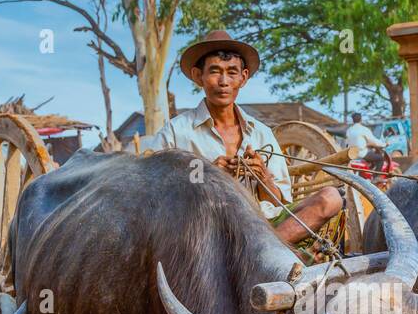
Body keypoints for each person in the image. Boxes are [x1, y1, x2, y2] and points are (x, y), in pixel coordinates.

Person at [143, 30, 344, 247]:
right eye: (214, 71)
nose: (223, 81)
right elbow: (149, 195)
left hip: (262, 228)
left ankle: (257, 251)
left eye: (232, 72)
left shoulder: (261, 133)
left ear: (243, 77)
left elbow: (277, 202)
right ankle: (264, 254)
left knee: (331, 198)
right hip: (203, 233)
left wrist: (263, 177)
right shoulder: (176, 132)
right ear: (198, 76)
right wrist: (209, 176)